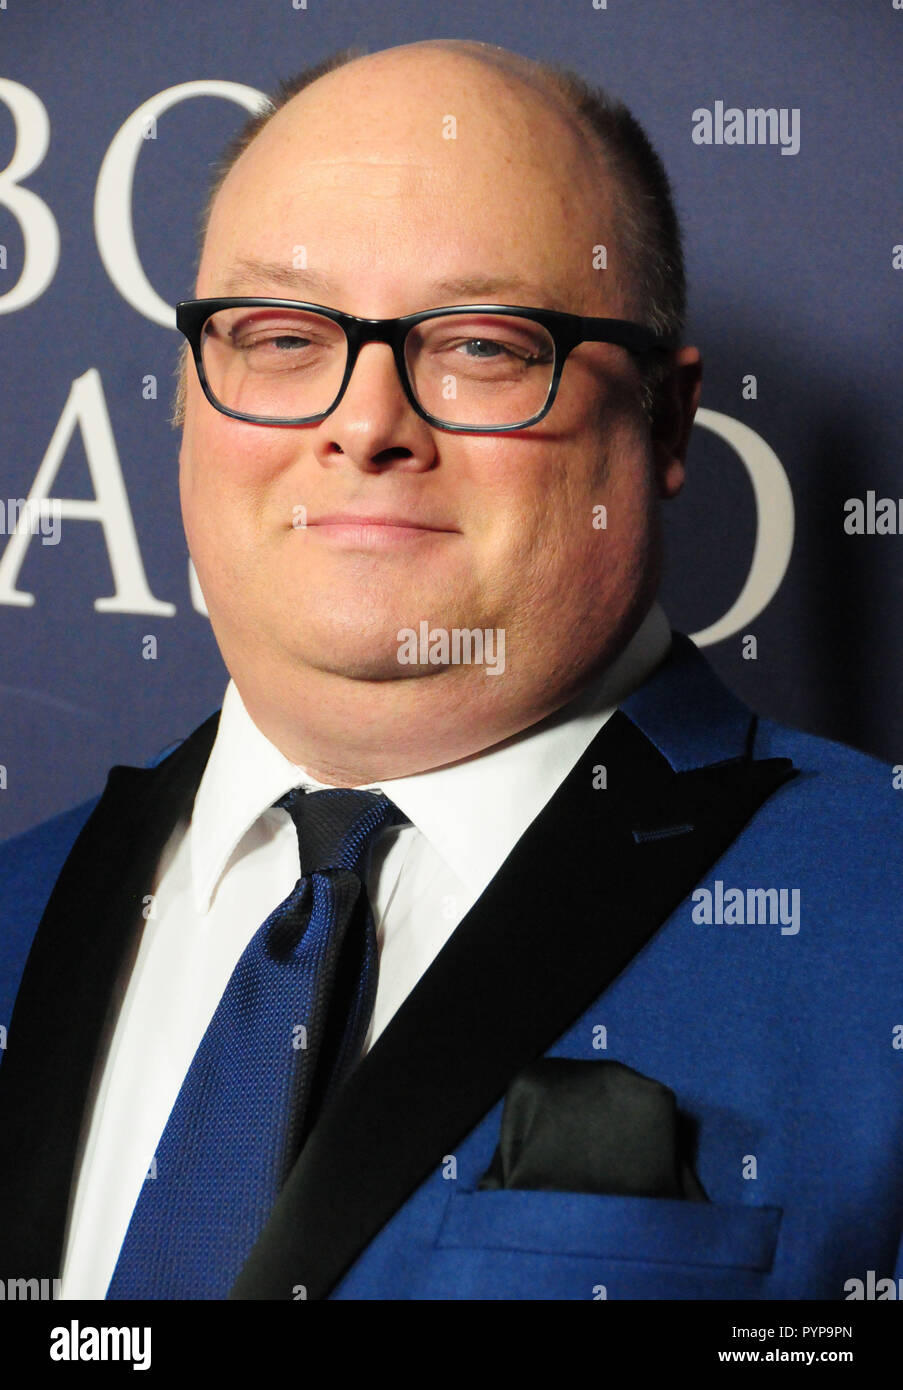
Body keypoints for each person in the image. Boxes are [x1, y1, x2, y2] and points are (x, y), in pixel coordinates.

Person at [0, 38, 899, 1303]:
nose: (365, 423)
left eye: (482, 344)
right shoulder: (14, 907)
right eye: (279, 335)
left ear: (667, 418)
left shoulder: (879, 920)